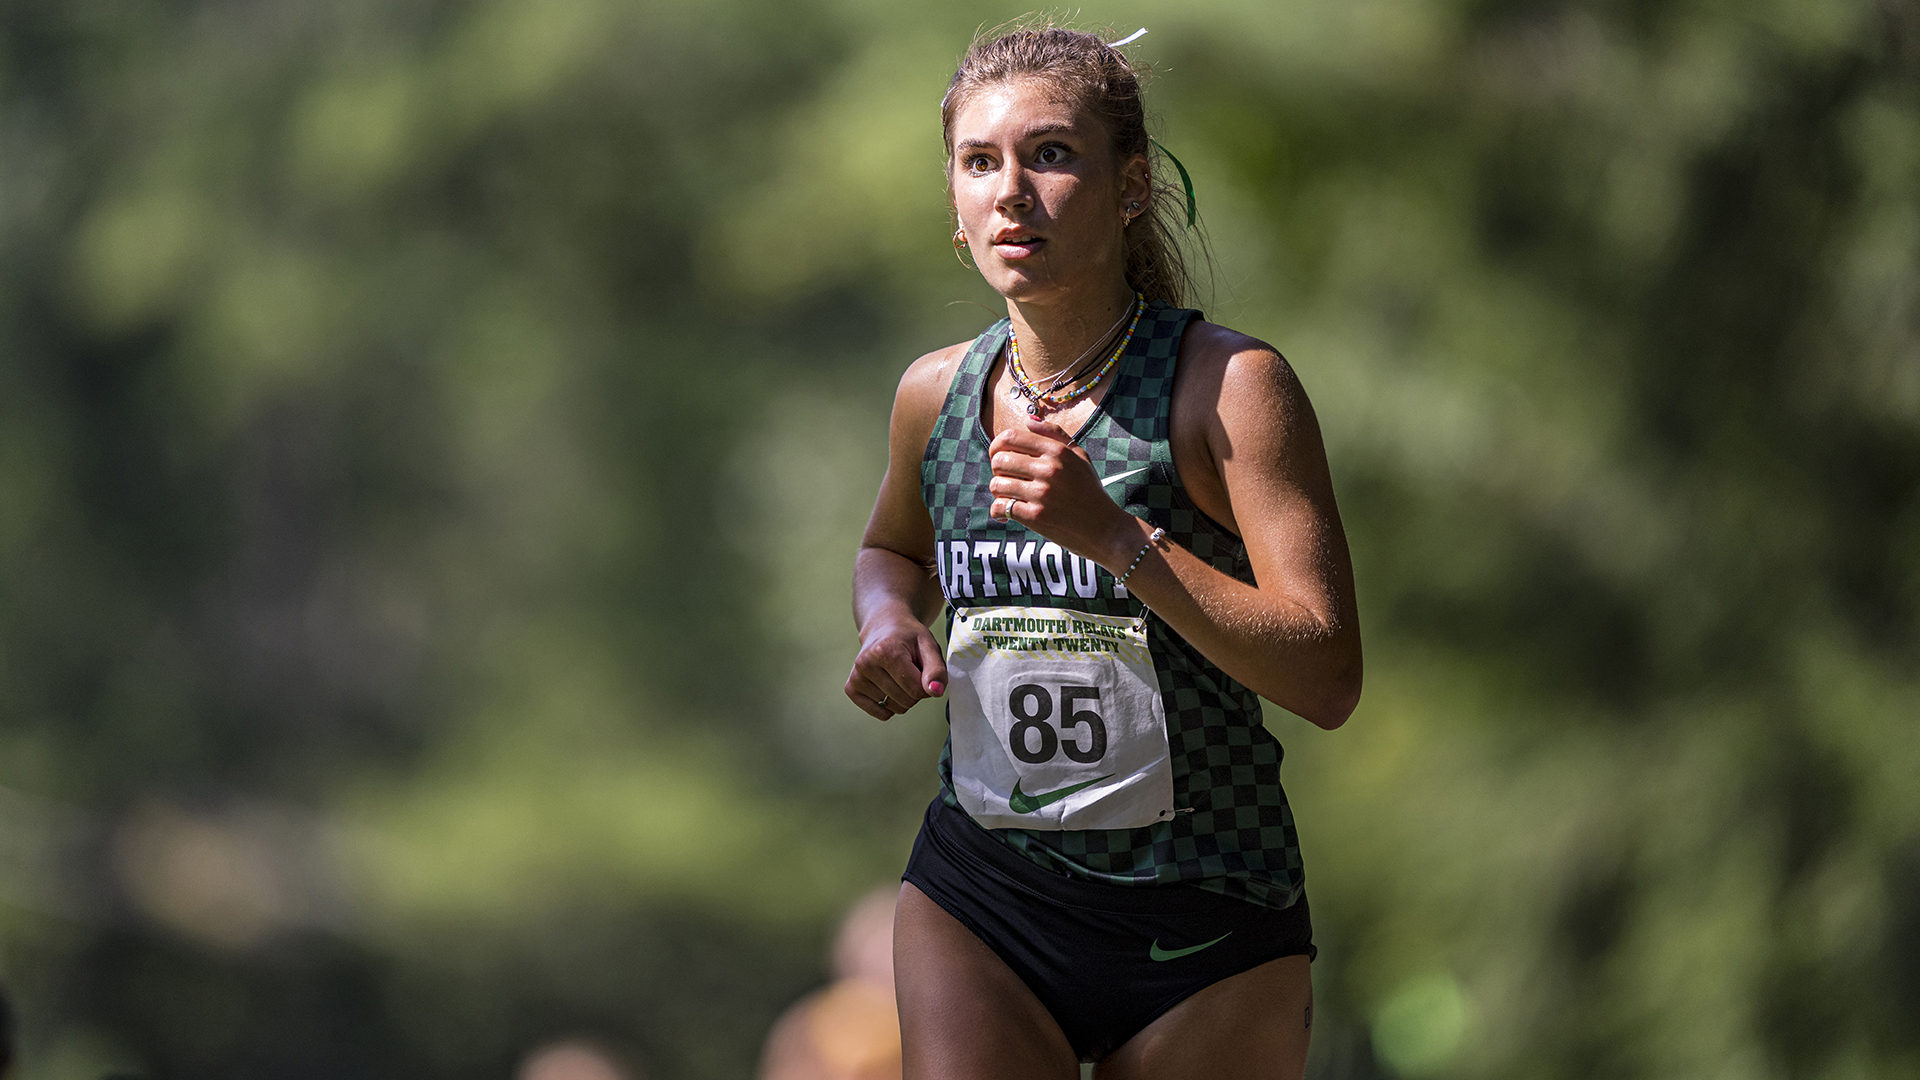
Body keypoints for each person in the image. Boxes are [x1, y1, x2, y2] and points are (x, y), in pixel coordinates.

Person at [844, 22, 1362, 1080]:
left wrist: (1116, 540)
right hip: (987, 888)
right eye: (979, 163)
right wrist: (888, 619)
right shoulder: (935, 395)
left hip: (1204, 910)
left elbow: (1326, 673)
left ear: (1131, 188)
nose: (1011, 192)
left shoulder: (1227, 389)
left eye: (1050, 155)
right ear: (953, 202)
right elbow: (891, 550)